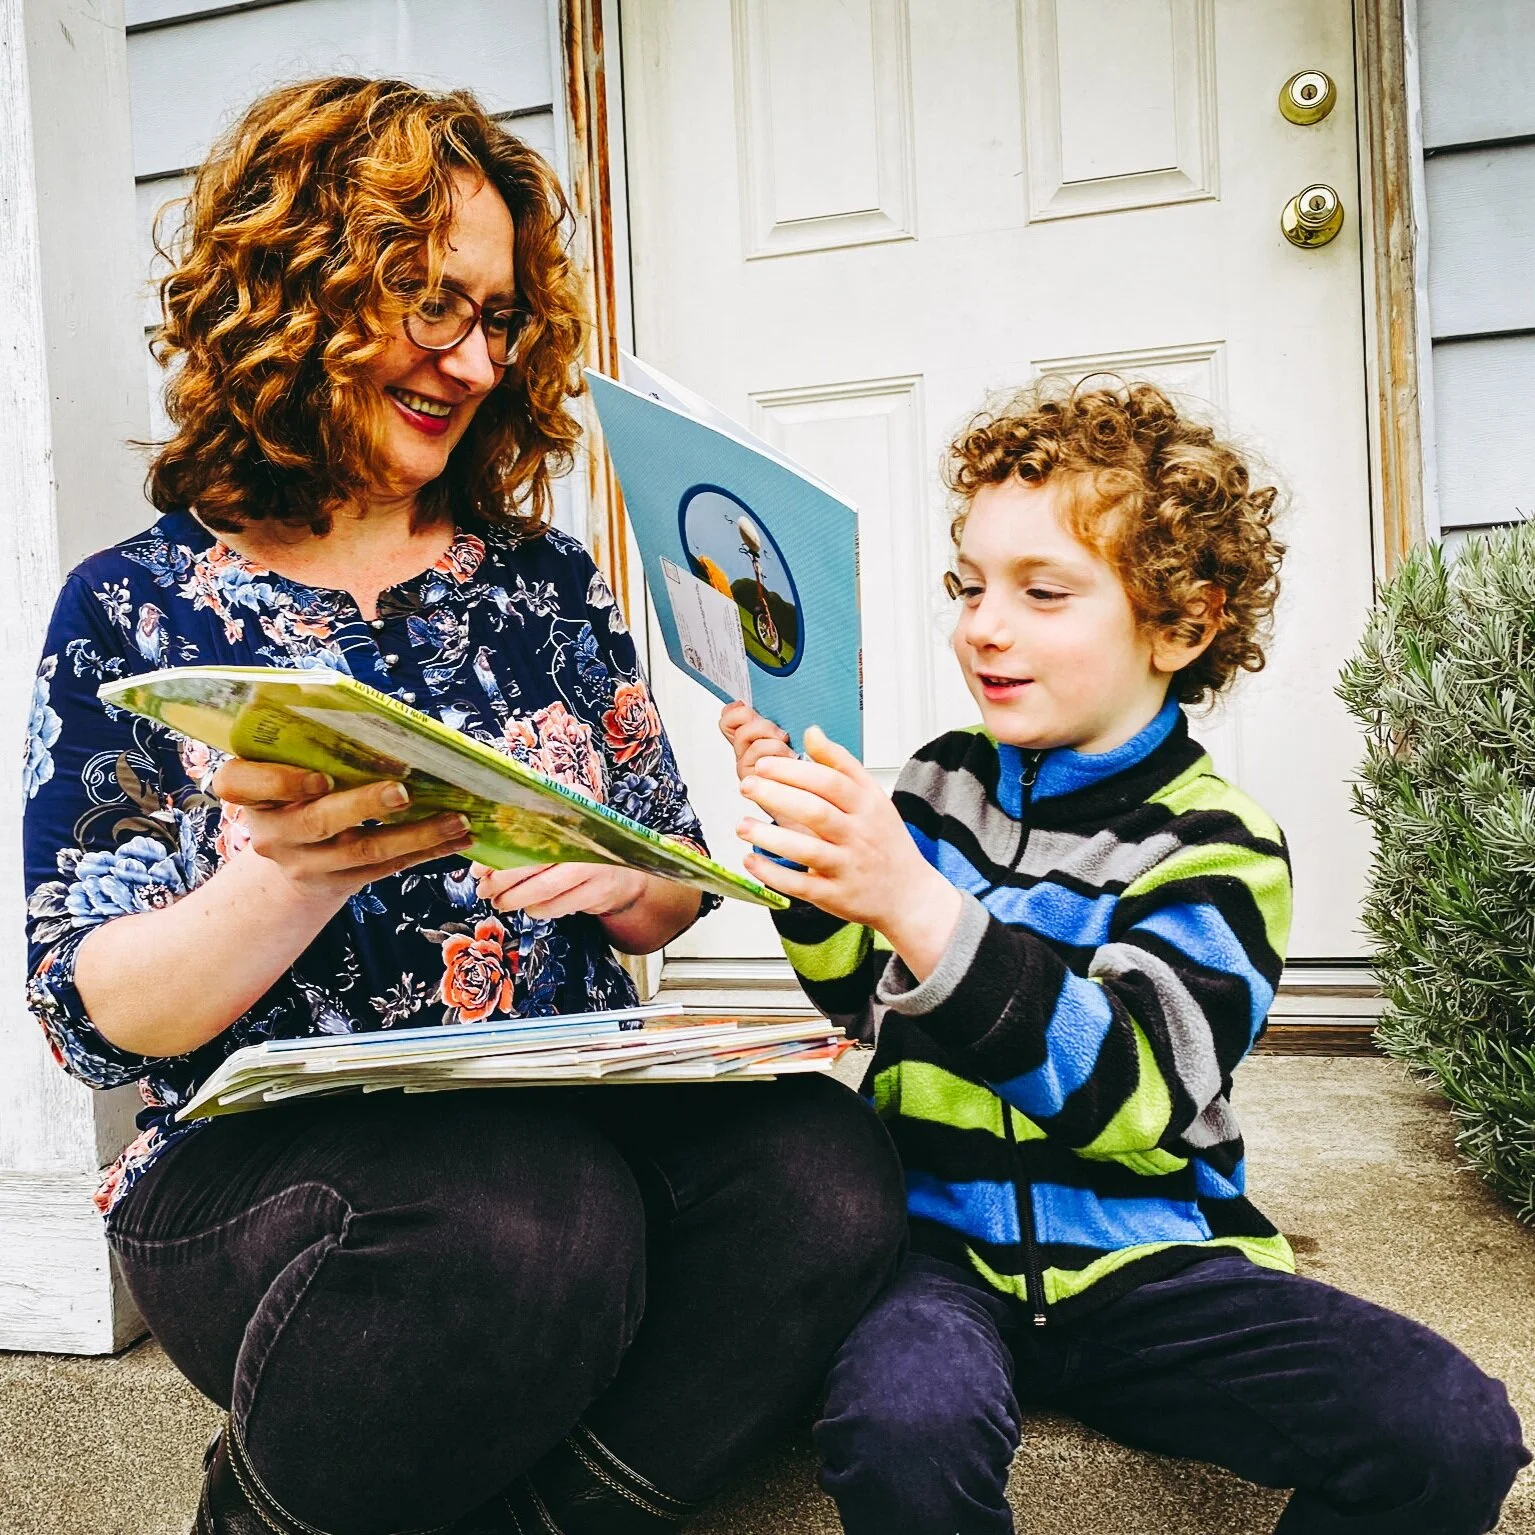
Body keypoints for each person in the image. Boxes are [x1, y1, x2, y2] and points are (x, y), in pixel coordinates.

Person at [21, 77, 904, 1535]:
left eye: (496, 318)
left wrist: (616, 878)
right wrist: (287, 878)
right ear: (292, 291)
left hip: (570, 1101)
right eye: (430, 303)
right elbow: (91, 1008)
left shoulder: (539, 579)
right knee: (528, 1217)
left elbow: (667, 875)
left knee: (825, 1167)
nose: (473, 357)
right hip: (273, 1173)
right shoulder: (133, 604)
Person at [720, 380, 1530, 1534]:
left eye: (1041, 591)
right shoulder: (927, 793)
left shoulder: (1217, 843)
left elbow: (1132, 1088)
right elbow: (860, 996)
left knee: (1450, 1427)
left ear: (1180, 625)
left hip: (1149, 1262)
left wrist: (919, 902)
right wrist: (810, 865)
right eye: (968, 585)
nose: (981, 624)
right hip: (934, 1253)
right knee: (901, 1425)